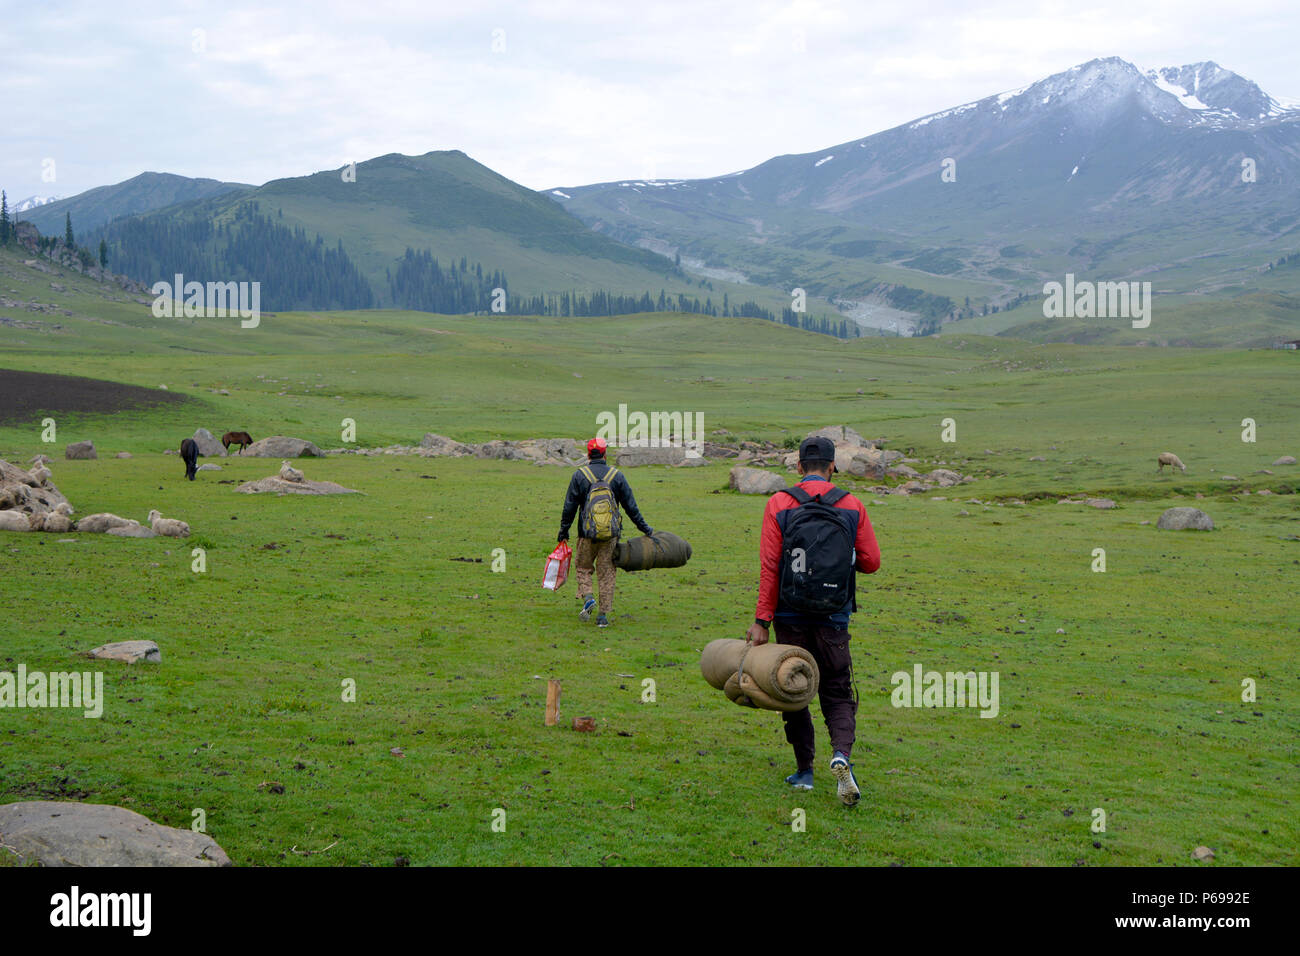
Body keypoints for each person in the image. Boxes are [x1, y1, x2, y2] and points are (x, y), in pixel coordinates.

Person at [745, 435, 881, 806]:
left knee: (794, 687)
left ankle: (805, 771)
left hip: (790, 613)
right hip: (834, 614)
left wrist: (762, 620)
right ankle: (841, 757)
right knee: (837, 691)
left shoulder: (779, 502)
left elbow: (770, 566)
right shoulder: (853, 505)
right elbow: (871, 562)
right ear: (833, 466)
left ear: (800, 467)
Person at [557, 437, 653, 628]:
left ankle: (589, 597)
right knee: (607, 573)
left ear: (588, 454)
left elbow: (569, 507)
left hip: (586, 535)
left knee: (583, 568)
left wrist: (563, 531)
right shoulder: (617, 476)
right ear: (604, 453)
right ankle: (602, 616)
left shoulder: (579, 476)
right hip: (610, 536)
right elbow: (630, 507)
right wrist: (645, 528)